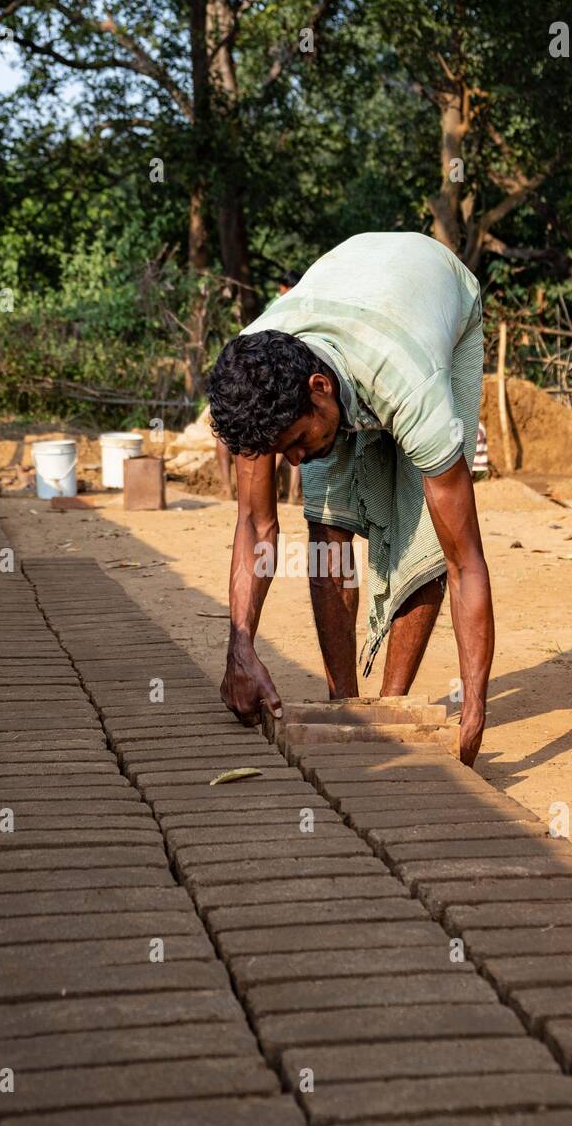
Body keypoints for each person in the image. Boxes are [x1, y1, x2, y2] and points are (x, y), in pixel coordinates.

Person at [208, 231, 493, 766]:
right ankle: (345, 701)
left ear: (320, 387)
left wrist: (474, 701)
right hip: (354, 292)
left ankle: (390, 705)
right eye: (278, 451)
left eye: (295, 443)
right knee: (327, 528)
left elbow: (464, 559)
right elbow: (256, 526)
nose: (290, 461)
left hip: (433, 300)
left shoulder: (415, 385)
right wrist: (239, 645)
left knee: (423, 533)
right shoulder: (253, 378)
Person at [215, 268, 303, 501]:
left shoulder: (278, 310)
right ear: (283, 289)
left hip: (264, 376)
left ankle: (280, 491)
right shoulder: (294, 307)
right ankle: (285, 491)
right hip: (267, 375)